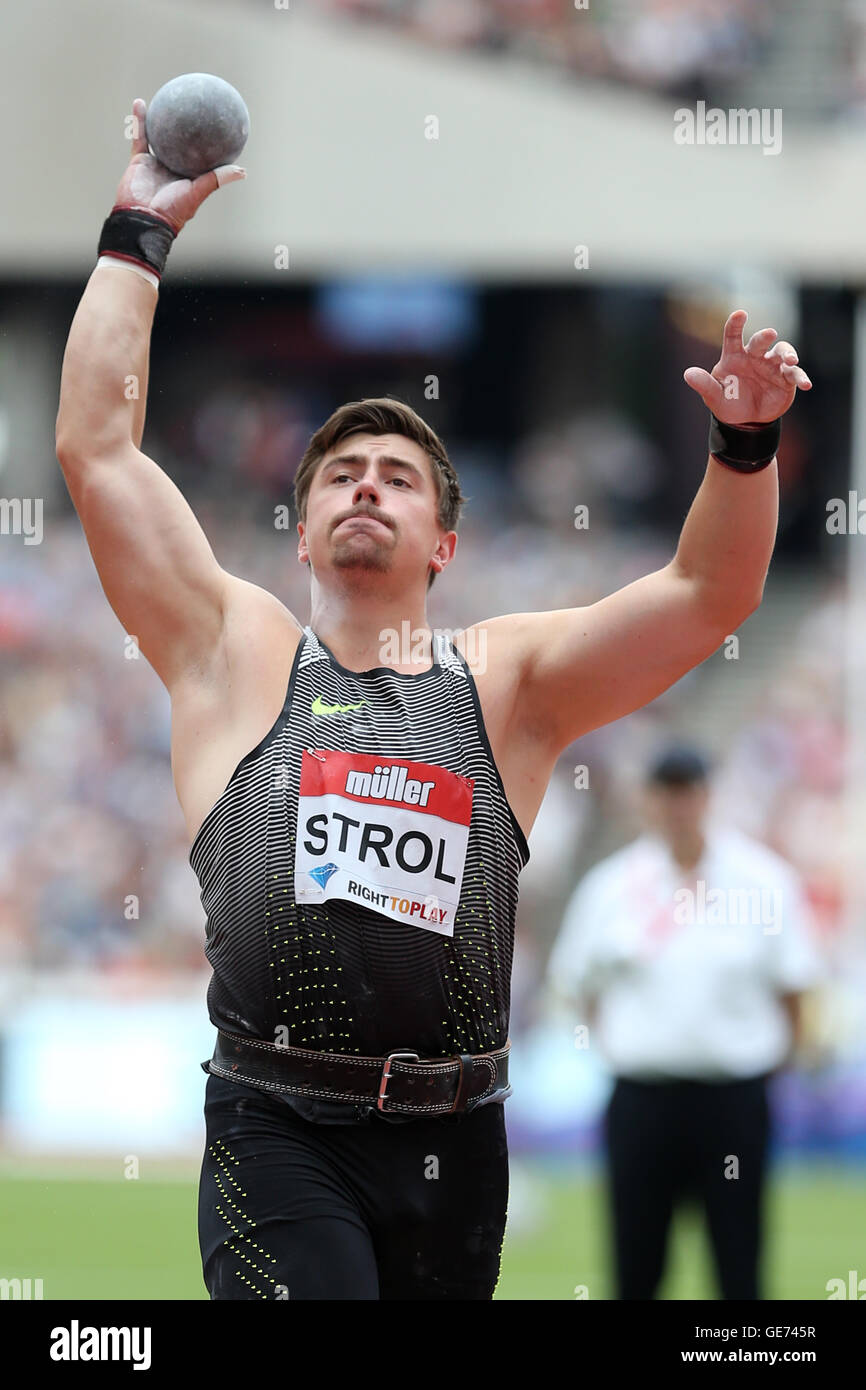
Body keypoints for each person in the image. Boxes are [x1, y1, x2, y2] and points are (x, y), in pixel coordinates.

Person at [54, 97, 812, 1300]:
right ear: (300, 529)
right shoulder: (233, 653)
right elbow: (99, 450)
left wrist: (742, 449)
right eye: (340, 474)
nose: (364, 487)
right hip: (276, 1122)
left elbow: (705, 596)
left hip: (457, 1139)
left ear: (443, 542)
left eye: (396, 477)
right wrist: (136, 230)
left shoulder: (502, 682)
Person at [546, 744, 823, 1301]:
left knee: (739, 1260)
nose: (679, 805)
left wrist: (771, 1064)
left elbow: (795, 988)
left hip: (733, 1099)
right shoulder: (612, 886)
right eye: (667, 792)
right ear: (649, 800)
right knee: (637, 1264)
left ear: (707, 795)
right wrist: (622, 1046)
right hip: (643, 1099)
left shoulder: (761, 881)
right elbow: (577, 985)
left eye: (688, 791)